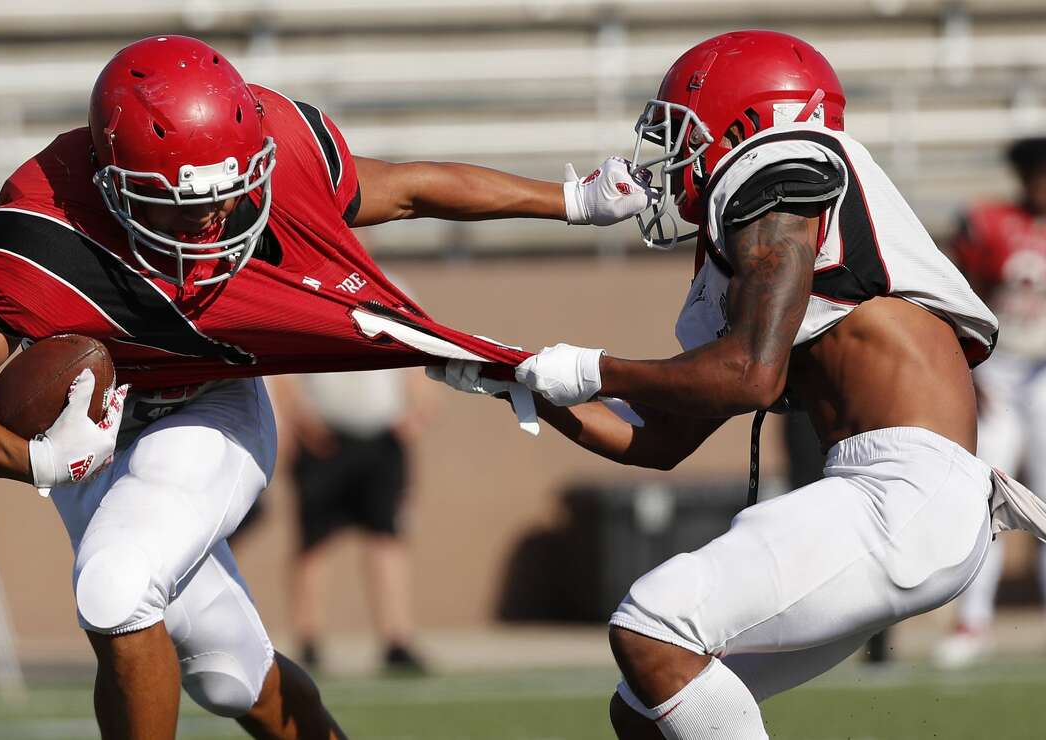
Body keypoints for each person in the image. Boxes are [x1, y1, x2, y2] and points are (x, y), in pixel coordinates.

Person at [0, 36, 650, 740]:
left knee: (115, 585)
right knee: (229, 674)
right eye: (181, 203)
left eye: (229, 193)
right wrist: (37, 462)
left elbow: (411, 188)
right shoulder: (51, 232)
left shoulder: (280, 163)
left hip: (210, 405)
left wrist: (574, 200)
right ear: (110, 185)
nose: (215, 220)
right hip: (92, 436)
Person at [430, 30, 1044, 739]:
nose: (671, 156)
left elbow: (750, 376)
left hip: (908, 489)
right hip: (897, 494)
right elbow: (655, 439)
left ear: (745, 117)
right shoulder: (750, 229)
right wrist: (530, 382)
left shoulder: (782, 171)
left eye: (681, 132)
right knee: (645, 711)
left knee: (654, 626)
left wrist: (590, 368)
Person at [933, 136, 1046, 669]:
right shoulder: (989, 221)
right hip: (999, 371)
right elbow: (957, 293)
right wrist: (969, 365)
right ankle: (973, 622)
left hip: (1045, 373)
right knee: (988, 498)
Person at [271, 360, 436, 675]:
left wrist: (418, 414)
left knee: (388, 539)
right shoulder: (310, 311)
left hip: (383, 442)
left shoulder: (393, 310)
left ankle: (396, 639)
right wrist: (299, 419)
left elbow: (415, 364)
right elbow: (285, 372)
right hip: (321, 443)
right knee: (313, 543)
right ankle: (309, 640)